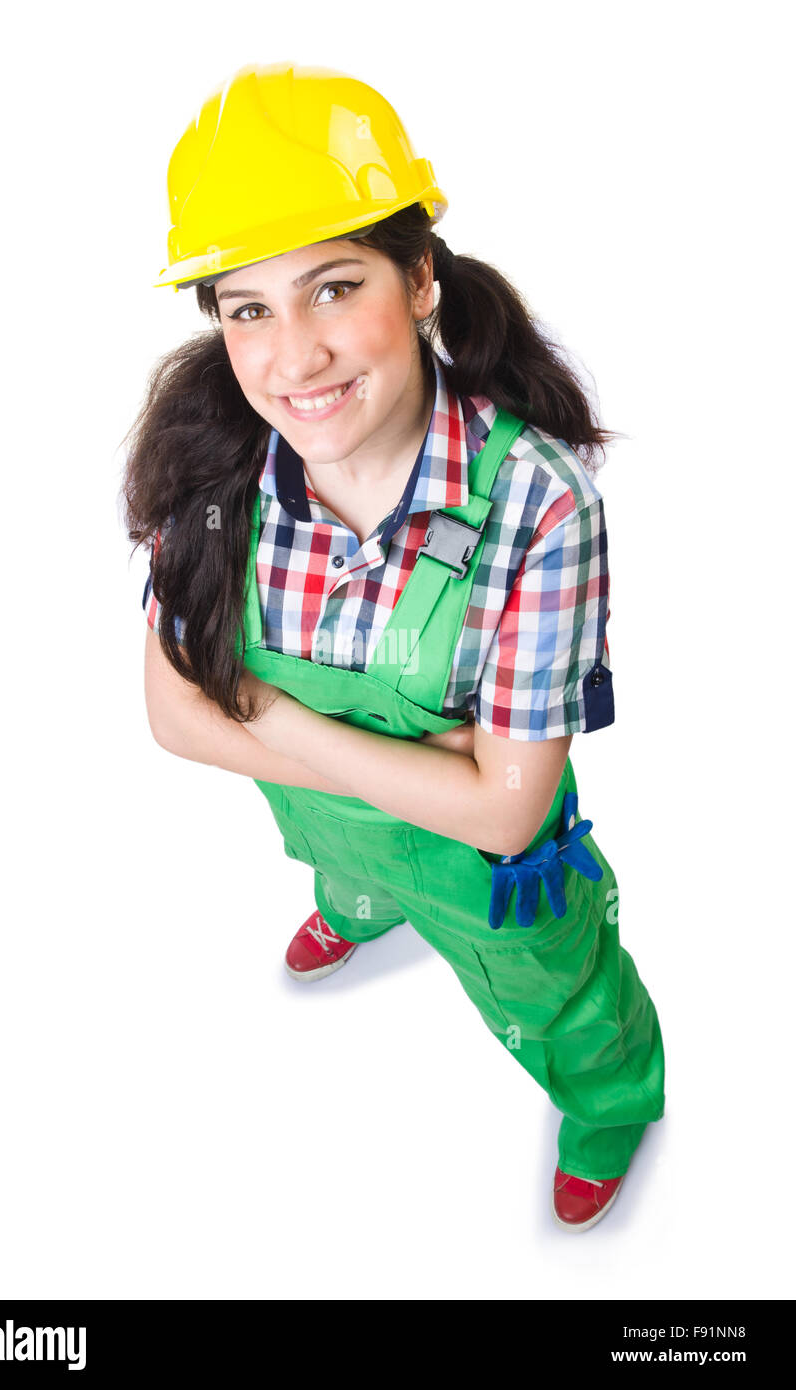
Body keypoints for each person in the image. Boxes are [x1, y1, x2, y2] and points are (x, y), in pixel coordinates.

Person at [122, 61, 666, 1233]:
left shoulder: (540, 506)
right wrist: (438, 775)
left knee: (564, 998)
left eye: (332, 287)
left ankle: (614, 1095)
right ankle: (365, 906)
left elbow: (508, 819)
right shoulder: (209, 476)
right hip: (333, 823)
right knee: (345, 862)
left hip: (493, 883)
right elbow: (170, 721)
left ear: (420, 277)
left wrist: (261, 718)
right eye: (249, 309)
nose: (294, 357)